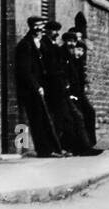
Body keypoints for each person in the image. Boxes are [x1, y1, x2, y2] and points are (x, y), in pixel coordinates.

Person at [42, 21, 98, 155]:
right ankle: (79, 148)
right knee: (72, 119)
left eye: (73, 42)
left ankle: (84, 146)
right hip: (62, 92)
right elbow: (57, 72)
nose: (71, 44)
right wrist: (68, 89)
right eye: (69, 41)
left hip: (68, 92)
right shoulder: (60, 52)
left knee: (77, 117)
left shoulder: (70, 55)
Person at [14, 16, 61, 157]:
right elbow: (25, 70)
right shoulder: (25, 45)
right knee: (38, 121)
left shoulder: (40, 44)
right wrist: (36, 86)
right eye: (37, 26)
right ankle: (44, 151)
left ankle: (52, 149)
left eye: (41, 26)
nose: (40, 29)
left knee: (44, 119)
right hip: (30, 90)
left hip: (40, 88)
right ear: (31, 27)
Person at [62, 30, 99, 148]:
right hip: (70, 94)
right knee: (77, 117)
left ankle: (90, 143)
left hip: (78, 93)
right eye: (78, 50)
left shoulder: (78, 62)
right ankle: (83, 145)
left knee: (89, 112)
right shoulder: (68, 59)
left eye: (82, 51)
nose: (80, 53)